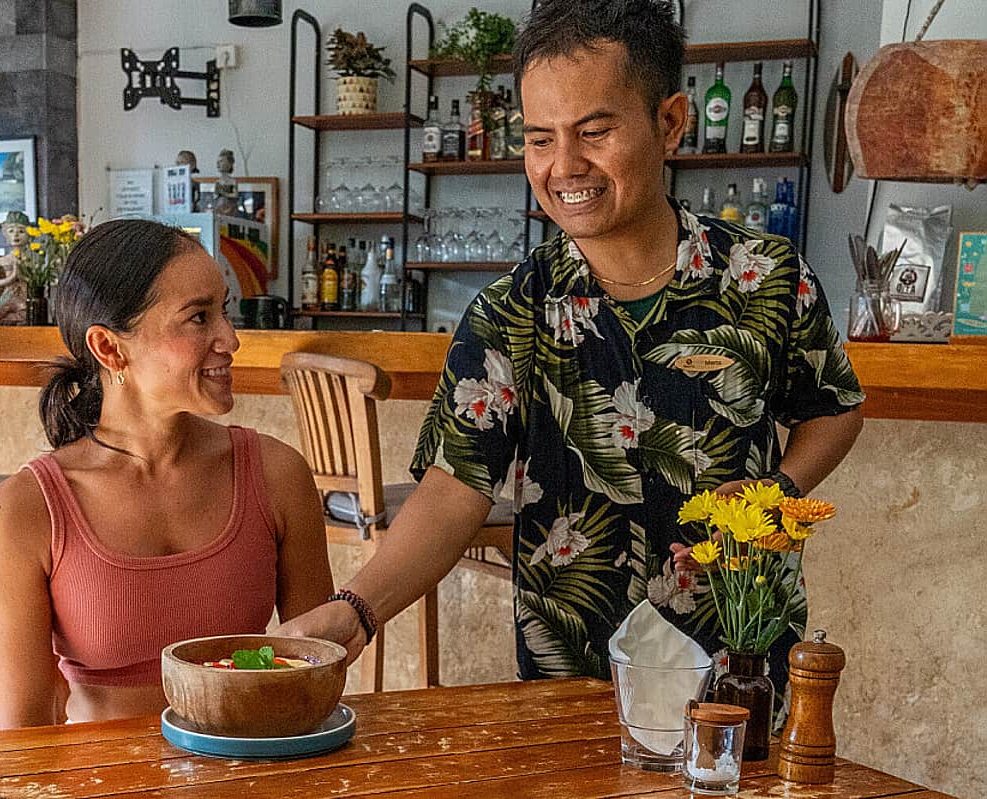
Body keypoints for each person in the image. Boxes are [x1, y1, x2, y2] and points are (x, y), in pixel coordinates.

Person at [280, 0, 864, 701]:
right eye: (537, 139)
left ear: (670, 122)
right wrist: (358, 609)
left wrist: (781, 490)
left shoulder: (765, 274)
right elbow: (454, 490)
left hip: (738, 662)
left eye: (593, 131)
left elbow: (833, 409)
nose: (564, 165)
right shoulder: (509, 312)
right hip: (573, 676)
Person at [0, 218, 334, 728]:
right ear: (109, 348)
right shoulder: (23, 511)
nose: (231, 339)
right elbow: (24, 737)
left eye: (224, 312)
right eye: (198, 318)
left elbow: (312, 679)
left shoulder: (278, 475)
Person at [0, 210, 31, 324]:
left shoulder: (32, 259)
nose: (16, 235)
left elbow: (35, 282)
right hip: (9, 295)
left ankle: (13, 317)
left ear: (28, 234)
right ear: (6, 234)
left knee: (28, 313)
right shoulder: (1, 260)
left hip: (24, 296)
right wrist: (12, 277)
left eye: (21, 231)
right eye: (11, 231)